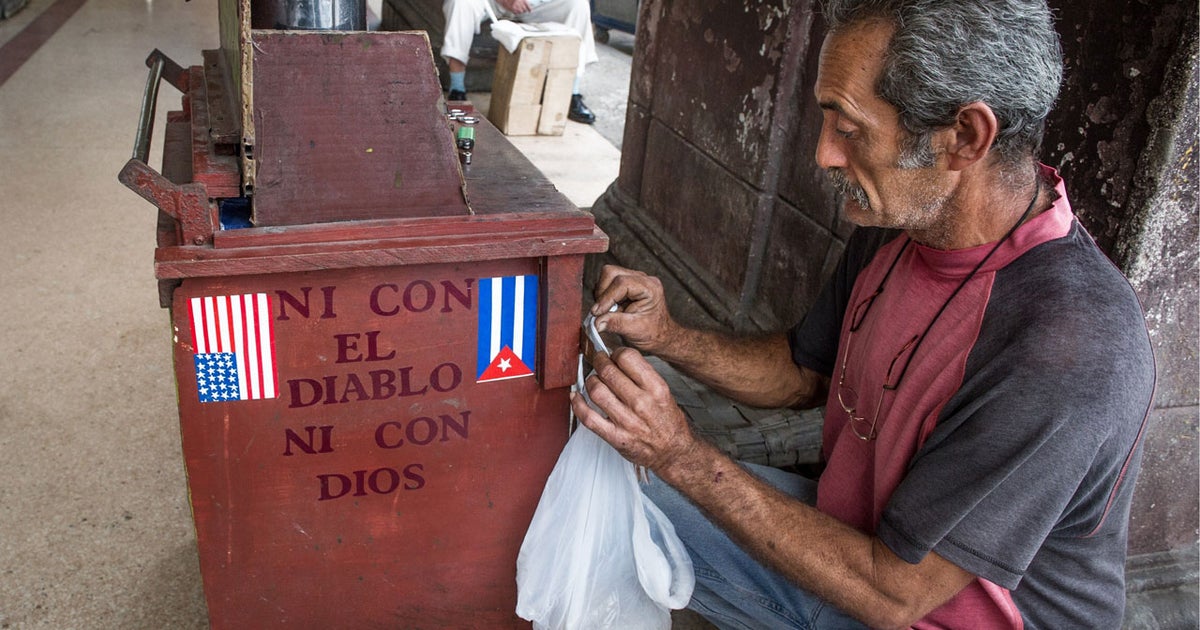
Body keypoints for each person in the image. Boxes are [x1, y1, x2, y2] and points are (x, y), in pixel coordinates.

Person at [570, 0, 1156, 628]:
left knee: (611, 513)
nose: (824, 154)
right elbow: (802, 373)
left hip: (914, 604)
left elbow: (893, 594)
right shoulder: (905, 217)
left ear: (964, 137)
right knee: (606, 480)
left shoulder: (1068, 346)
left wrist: (680, 455)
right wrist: (669, 337)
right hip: (865, 538)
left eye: (847, 128)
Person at [441, 0, 598, 124]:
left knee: (578, 5)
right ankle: (457, 89)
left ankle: (572, 94)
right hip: (491, 2)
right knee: (459, 4)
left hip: (536, 4)